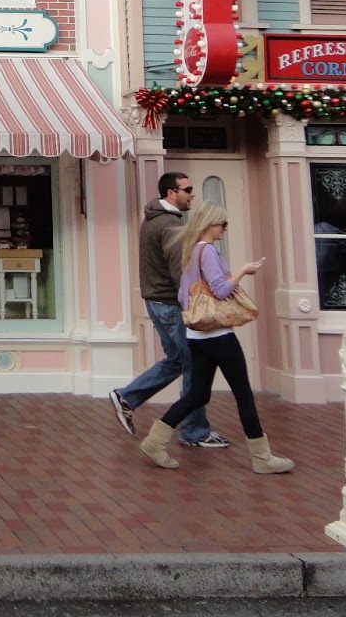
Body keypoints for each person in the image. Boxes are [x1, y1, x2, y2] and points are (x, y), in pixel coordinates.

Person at [138, 203, 292, 474]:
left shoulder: (189, 250)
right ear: (210, 224)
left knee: (197, 393)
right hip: (219, 336)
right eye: (223, 224)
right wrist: (244, 270)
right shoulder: (207, 251)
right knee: (243, 394)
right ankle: (261, 457)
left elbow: (183, 296)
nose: (224, 229)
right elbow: (220, 291)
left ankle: (155, 441)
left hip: (197, 335)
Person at [106, 171, 230, 449]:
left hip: (156, 302)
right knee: (194, 368)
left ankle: (127, 397)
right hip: (171, 305)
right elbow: (180, 271)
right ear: (170, 193)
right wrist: (192, 306)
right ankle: (195, 431)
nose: (192, 194)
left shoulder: (153, 219)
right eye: (187, 190)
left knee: (176, 360)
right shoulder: (171, 225)